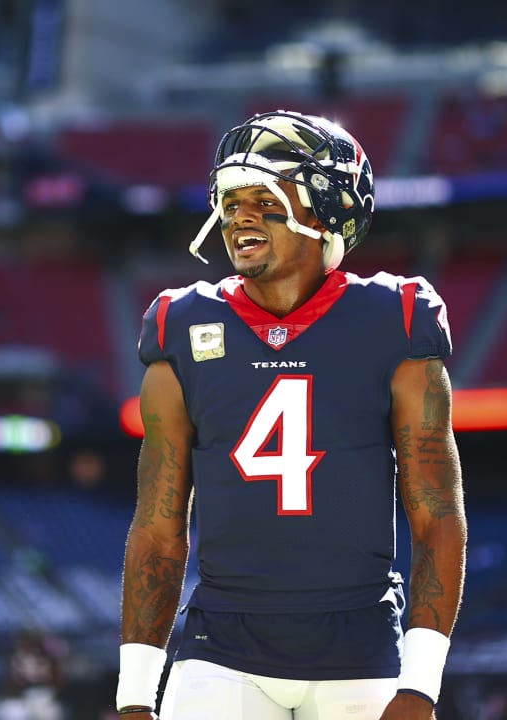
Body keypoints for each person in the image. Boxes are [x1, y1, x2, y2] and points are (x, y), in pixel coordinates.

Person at [118, 110, 467, 720]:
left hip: (363, 646)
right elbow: (157, 525)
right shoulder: (182, 322)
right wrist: (134, 694)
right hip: (220, 646)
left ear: (324, 210)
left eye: (264, 197)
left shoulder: (396, 317)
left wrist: (420, 684)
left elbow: (437, 513)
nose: (239, 215)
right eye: (230, 200)